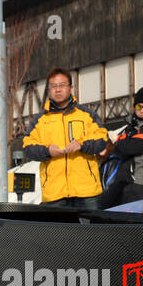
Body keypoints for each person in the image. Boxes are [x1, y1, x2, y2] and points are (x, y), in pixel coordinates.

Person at [22, 67, 109, 209]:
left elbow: (102, 139)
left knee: (90, 231)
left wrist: (82, 145)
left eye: (62, 85)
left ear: (70, 88)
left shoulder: (86, 115)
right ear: (49, 90)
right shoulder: (40, 120)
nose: (58, 89)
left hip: (87, 191)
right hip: (54, 193)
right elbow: (27, 147)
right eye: (53, 86)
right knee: (58, 232)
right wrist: (47, 151)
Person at [99, 87, 143, 207]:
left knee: (135, 221)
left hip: (142, 185)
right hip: (124, 181)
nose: (142, 110)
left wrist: (116, 141)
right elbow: (121, 149)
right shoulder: (130, 128)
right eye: (139, 107)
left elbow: (129, 148)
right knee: (102, 208)